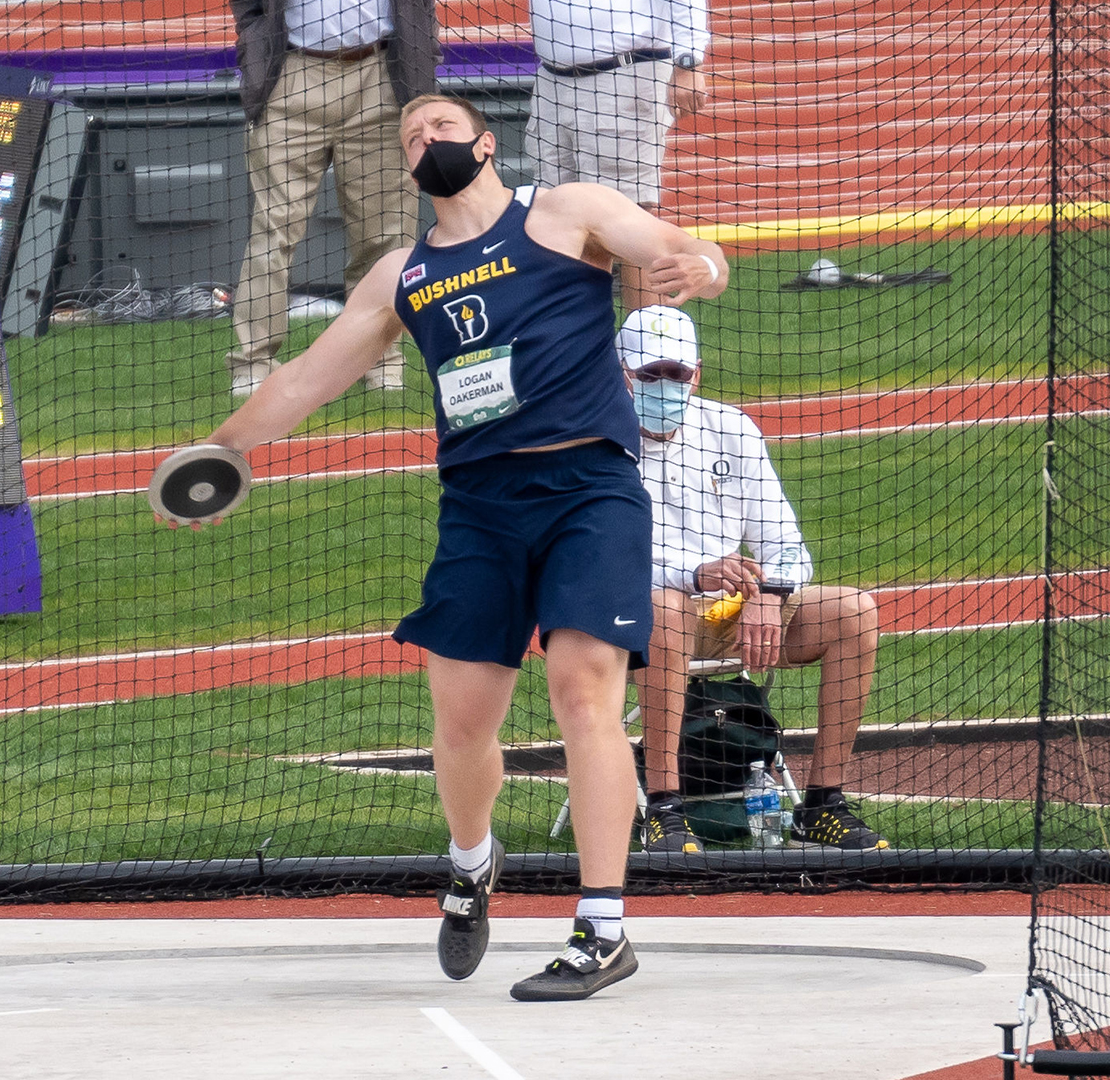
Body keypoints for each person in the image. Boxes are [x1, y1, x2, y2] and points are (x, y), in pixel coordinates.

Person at [188, 95, 728, 1000]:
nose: (424, 139)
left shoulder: (566, 212)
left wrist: (701, 269)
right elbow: (307, 378)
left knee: (583, 692)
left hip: (590, 489)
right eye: (410, 136)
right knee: (465, 724)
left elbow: (681, 247)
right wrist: (218, 450)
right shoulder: (401, 274)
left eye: (439, 126)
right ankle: (473, 864)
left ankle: (603, 930)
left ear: (485, 142)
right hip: (479, 506)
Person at [617, 305, 887, 854]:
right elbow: (603, 557)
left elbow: (787, 546)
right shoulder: (599, 437)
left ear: (697, 373)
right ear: (622, 373)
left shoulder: (731, 428)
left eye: (677, 372)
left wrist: (770, 593)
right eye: (651, 374)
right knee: (667, 608)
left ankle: (823, 804)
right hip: (630, 625)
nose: (665, 385)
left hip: (732, 616)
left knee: (854, 611)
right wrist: (693, 573)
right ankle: (664, 809)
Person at [224, 0, 438, 397]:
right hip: (293, 74)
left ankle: (381, 361)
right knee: (273, 231)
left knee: (385, 237)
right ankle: (253, 364)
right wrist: (253, 45)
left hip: (382, 75)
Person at [525, 0, 710, 312]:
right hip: (552, 81)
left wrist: (688, 62)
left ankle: (650, 340)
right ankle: (581, 336)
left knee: (632, 221)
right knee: (556, 218)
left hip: (623, 74)